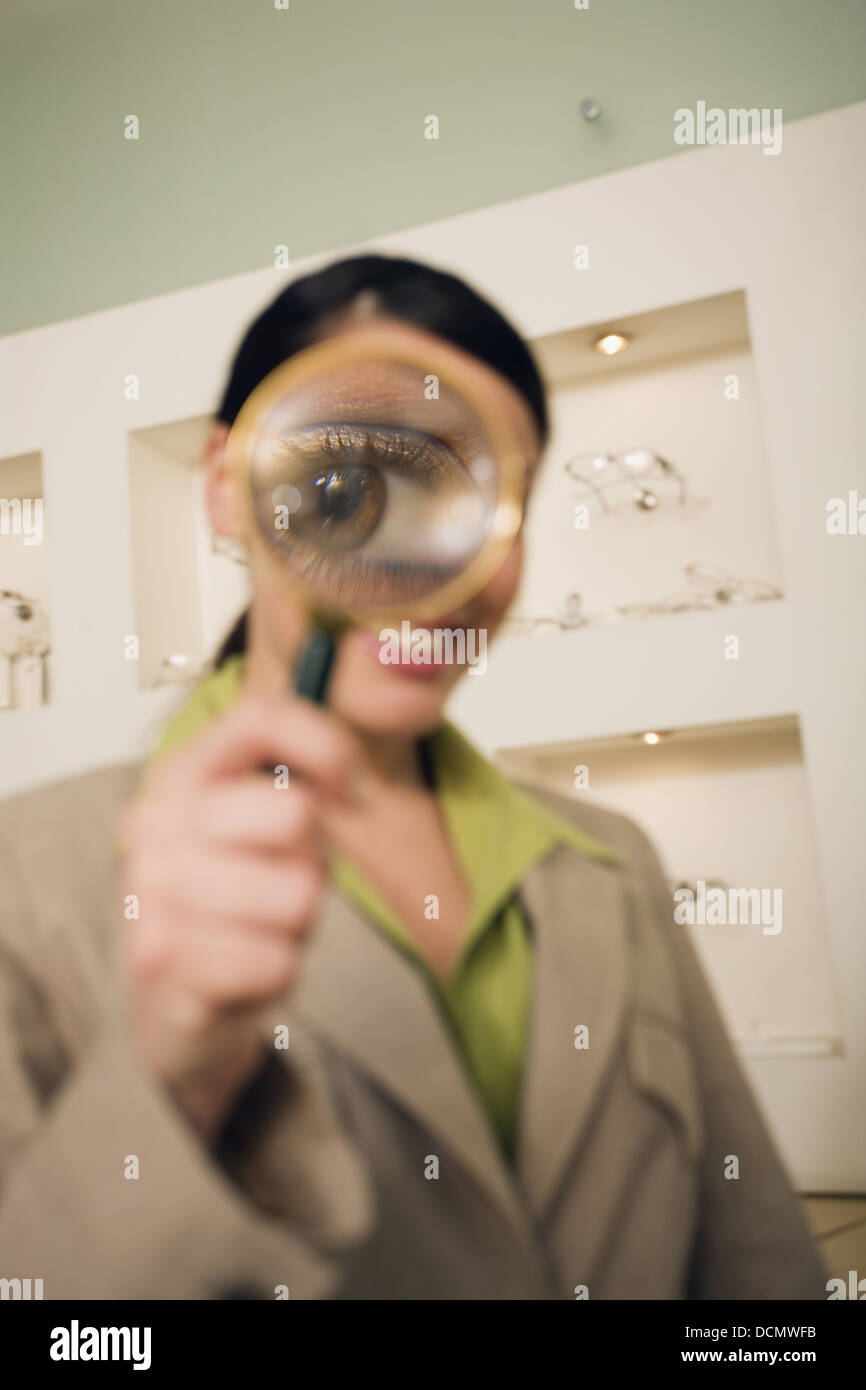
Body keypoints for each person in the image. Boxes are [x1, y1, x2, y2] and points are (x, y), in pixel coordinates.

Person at [0, 254, 824, 1300]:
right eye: (348, 482)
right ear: (227, 487)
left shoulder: (613, 862)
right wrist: (175, 1076)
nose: (422, 569)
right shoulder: (22, 881)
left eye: (485, 488)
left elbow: (761, 1283)